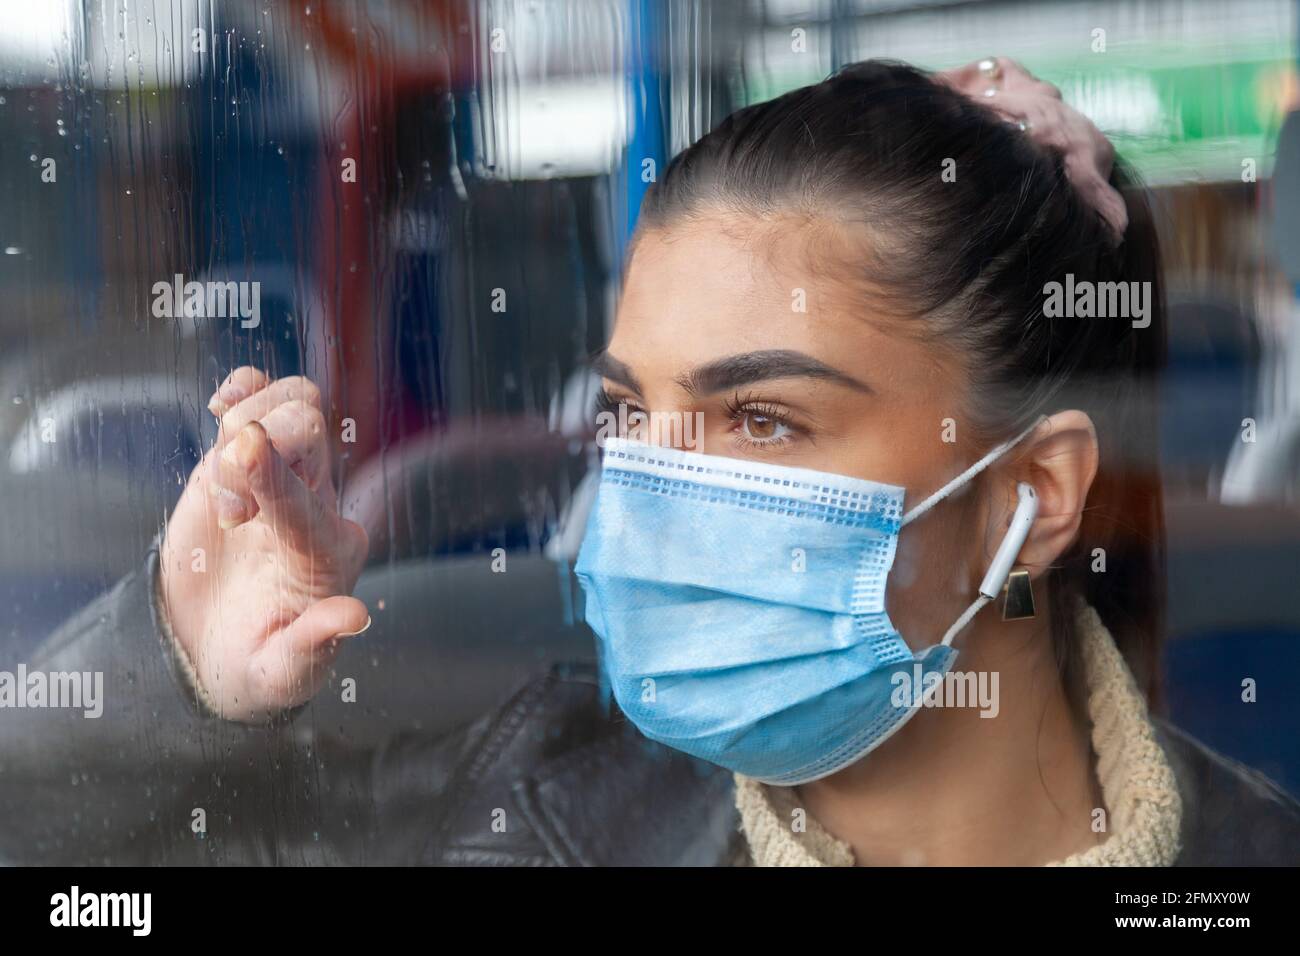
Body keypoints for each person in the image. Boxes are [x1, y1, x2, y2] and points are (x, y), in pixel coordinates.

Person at [3, 59, 1298, 866]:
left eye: (762, 420)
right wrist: (171, 666)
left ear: (1033, 496)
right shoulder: (517, 805)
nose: (657, 498)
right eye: (629, 414)